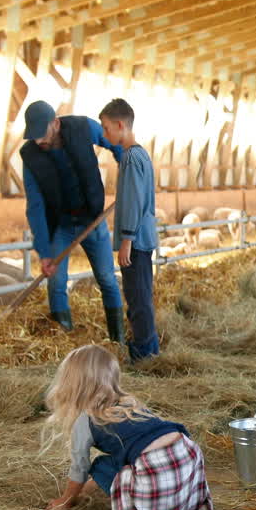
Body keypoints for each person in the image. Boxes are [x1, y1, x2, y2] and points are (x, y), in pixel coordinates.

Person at [45, 344, 212, 510]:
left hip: (156, 470)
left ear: (71, 383)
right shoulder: (130, 404)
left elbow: (80, 468)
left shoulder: (86, 419)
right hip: (186, 454)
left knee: (99, 465)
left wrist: (66, 499)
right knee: (118, 460)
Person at [20, 100, 125, 345]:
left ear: (55, 123)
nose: (38, 142)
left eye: (40, 134)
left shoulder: (81, 127)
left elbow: (113, 141)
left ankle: (117, 340)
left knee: (107, 279)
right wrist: (44, 252)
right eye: (32, 136)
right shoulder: (31, 156)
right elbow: (34, 206)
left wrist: (126, 163)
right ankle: (63, 343)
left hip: (93, 219)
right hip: (62, 225)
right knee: (56, 282)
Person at [98, 98, 160, 361]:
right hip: (140, 239)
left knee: (137, 298)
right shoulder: (137, 154)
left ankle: (145, 353)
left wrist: (127, 240)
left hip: (136, 241)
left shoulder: (132, 157)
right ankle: (148, 348)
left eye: (106, 128)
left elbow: (134, 201)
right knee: (139, 295)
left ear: (121, 125)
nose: (104, 134)